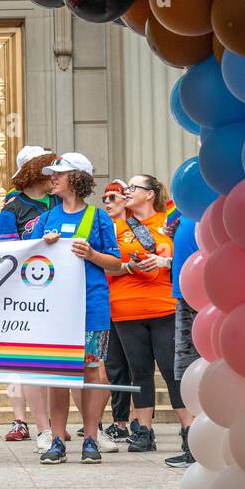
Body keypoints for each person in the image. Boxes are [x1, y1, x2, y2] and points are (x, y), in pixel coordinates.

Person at [36, 153, 123, 464]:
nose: (53, 178)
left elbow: (116, 264)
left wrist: (91, 254)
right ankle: (57, 440)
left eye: (60, 173)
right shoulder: (46, 220)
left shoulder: (98, 218)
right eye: (53, 174)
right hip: (54, 310)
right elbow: (26, 260)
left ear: (77, 178)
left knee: (89, 370)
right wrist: (41, 247)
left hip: (91, 305)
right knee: (58, 373)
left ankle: (90, 437)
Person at [106, 174, 194, 455]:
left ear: (150, 194)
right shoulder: (116, 227)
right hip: (126, 307)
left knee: (172, 369)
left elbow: (189, 258)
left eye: (132, 188)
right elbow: (105, 265)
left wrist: (164, 262)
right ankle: (143, 430)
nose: (126, 192)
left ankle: (188, 429)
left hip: (164, 305)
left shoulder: (171, 223)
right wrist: (129, 267)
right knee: (139, 371)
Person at [0, 146, 56, 448]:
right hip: (27, 293)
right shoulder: (13, 208)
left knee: (55, 360)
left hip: (58, 292)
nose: (55, 176)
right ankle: (35, 423)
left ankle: (57, 424)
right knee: (28, 360)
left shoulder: (60, 203)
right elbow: (4, 250)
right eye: (50, 171)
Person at [164, 204, 200, 469]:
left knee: (201, 369)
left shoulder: (212, 204)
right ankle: (192, 441)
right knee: (186, 369)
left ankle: (201, 442)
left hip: (206, 292)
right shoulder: (180, 212)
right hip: (183, 294)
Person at [99, 180, 133, 444]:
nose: (108, 202)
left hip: (132, 302)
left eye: (113, 197)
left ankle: (136, 421)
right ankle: (119, 420)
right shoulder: (103, 228)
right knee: (113, 365)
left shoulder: (136, 228)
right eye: (105, 199)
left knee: (136, 364)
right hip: (107, 302)